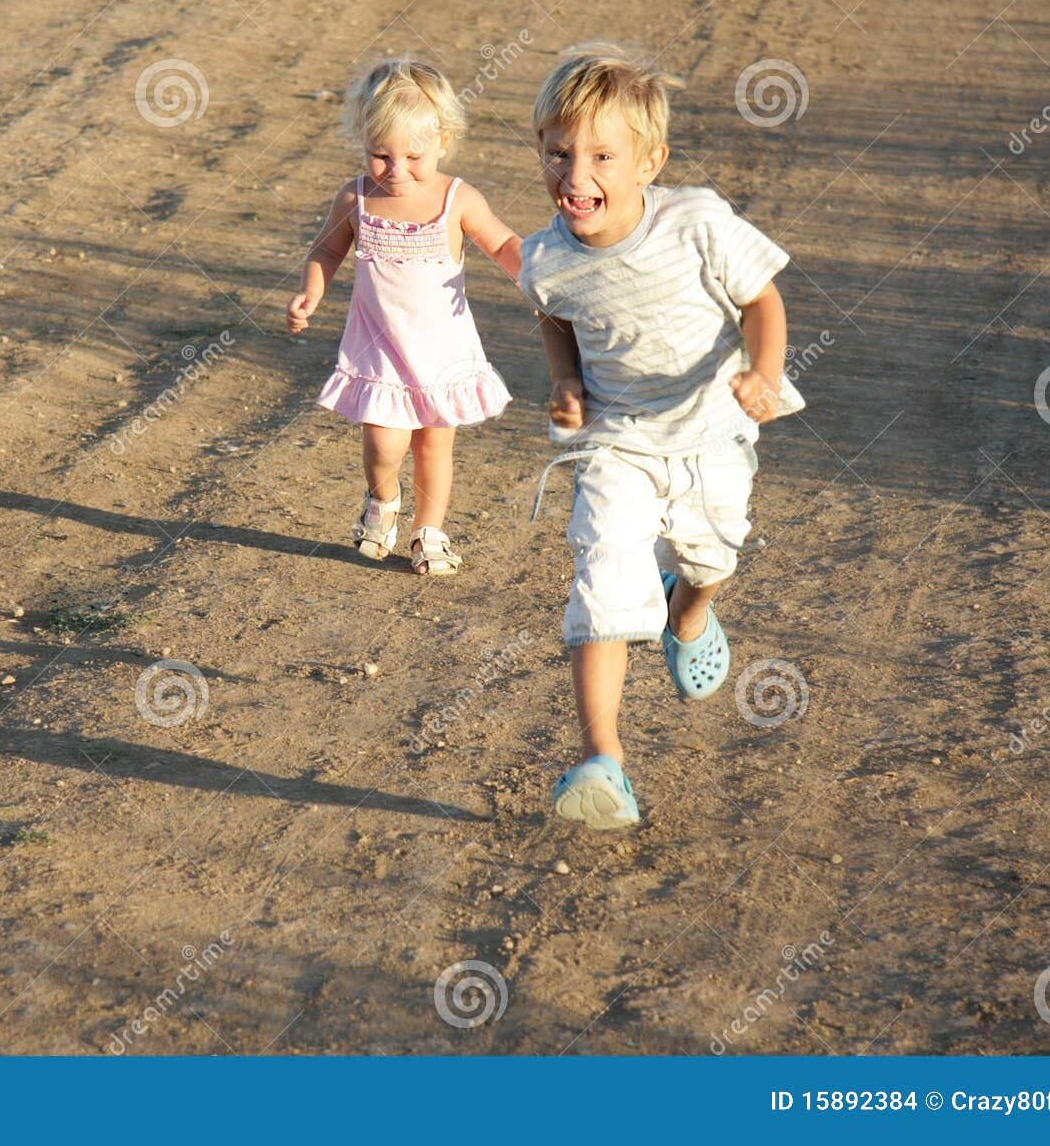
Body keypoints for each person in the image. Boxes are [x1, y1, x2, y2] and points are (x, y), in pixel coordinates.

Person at [518, 44, 800, 828]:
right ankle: (600, 757)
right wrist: (564, 378)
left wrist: (764, 374)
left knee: (717, 551)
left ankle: (687, 612)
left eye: (602, 156)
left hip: (713, 426)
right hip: (618, 441)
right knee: (603, 574)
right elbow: (552, 312)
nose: (577, 176)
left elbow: (762, 301)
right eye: (558, 153)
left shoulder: (697, 222)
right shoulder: (545, 257)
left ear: (650, 162)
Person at [289, 58, 520, 575]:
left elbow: (503, 243)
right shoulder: (356, 198)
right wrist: (310, 292)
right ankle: (383, 498)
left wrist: (536, 275)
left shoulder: (457, 199)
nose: (395, 171)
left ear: (443, 141)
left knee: (435, 444)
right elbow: (325, 252)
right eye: (380, 156)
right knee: (384, 444)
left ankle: (428, 533)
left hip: (442, 353)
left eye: (413, 156)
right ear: (363, 143)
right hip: (379, 351)